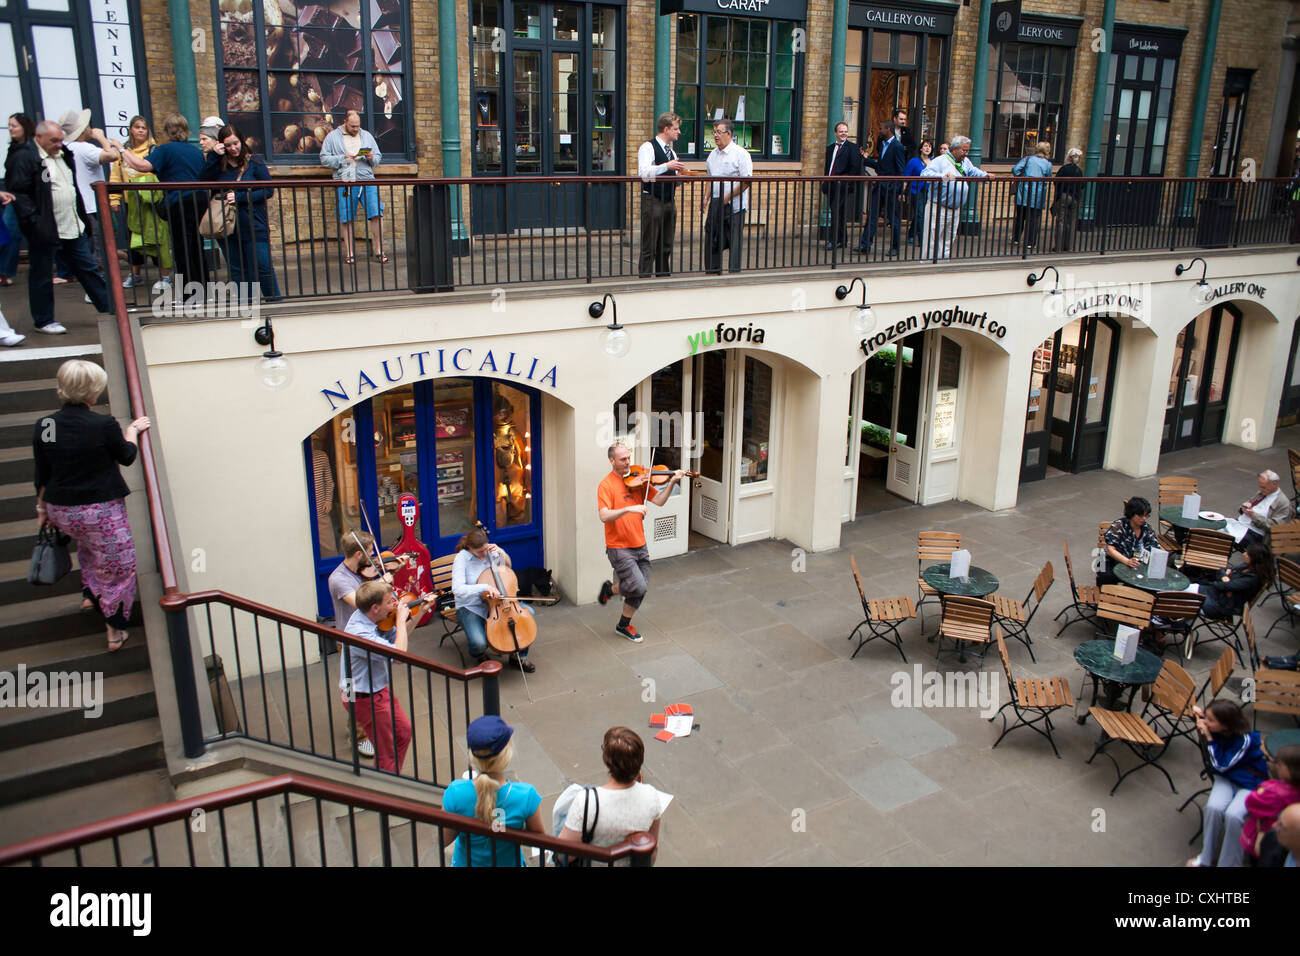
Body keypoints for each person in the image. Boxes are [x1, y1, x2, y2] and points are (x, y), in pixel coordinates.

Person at [33, 360, 150, 651]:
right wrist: (132, 432)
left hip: (61, 510)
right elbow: (126, 456)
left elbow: (43, 470)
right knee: (118, 568)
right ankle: (115, 629)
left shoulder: (46, 425)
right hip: (99, 512)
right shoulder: (103, 424)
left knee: (87, 548)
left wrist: (41, 510)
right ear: (93, 391)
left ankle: (90, 593)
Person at [6, 121, 113, 335]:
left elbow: (71, 186)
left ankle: (110, 308)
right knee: (42, 275)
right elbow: (20, 193)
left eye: (60, 140)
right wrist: (34, 222)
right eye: (53, 140)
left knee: (88, 268)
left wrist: (80, 216)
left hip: (71, 224)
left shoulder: (63, 154)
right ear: (39, 137)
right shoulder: (25, 157)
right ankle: (44, 320)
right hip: (45, 228)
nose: (58, 144)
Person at [596, 443, 684, 642]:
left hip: (640, 544)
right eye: (623, 459)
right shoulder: (606, 485)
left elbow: (660, 501)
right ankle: (611, 589)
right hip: (619, 547)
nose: (628, 462)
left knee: (639, 587)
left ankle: (623, 624)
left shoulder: (640, 480)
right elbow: (604, 515)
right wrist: (629, 509)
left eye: (629, 457)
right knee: (639, 586)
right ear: (612, 461)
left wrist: (671, 482)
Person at [117, 113, 209, 289]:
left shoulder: (165, 150)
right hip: (199, 199)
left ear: (167, 131)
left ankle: (188, 295)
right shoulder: (195, 151)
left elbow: (142, 166)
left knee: (182, 249)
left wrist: (122, 151)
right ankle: (206, 292)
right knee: (197, 246)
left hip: (179, 201)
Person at [440, 716, 544, 867]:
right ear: (506, 754)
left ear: (472, 756)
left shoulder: (456, 793)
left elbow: (443, 840)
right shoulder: (525, 796)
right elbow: (539, 839)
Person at [557, 726, 667, 864]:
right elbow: (651, 849)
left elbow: (564, 855)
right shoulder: (651, 797)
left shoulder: (587, 802)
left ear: (607, 760)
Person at [201, 124, 281, 302]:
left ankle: (275, 303)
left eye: (235, 143)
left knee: (263, 266)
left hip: (254, 223)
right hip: (227, 225)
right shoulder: (218, 164)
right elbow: (204, 181)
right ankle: (247, 305)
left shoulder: (255, 162)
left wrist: (242, 196)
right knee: (237, 268)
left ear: (241, 141)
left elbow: (268, 191)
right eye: (228, 145)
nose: (233, 148)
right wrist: (214, 155)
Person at [340, 579, 413, 772]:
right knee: (386, 750)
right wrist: (399, 620)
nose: (394, 605)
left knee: (403, 732)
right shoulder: (360, 634)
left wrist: (419, 612)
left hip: (374, 689)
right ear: (374, 607)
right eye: (390, 602)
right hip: (365, 697)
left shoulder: (371, 618)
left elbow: (399, 641)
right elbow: (399, 654)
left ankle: (391, 773)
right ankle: (387, 786)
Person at [1188, 699, 1268, 867]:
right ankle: (1205, 858)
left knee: (1234, 815)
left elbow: (1221, 765)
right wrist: (1196, 712)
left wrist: (1209, 738)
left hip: (1249, 782)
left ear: (1225, 725)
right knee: (1213, 808)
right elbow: (1201, 716)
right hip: (1229, 777)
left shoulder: (1243, 740)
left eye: (1211, 720)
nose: (1206, 722)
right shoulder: (1217, 726)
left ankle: (1230, 863)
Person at [451, 526, 534, 672]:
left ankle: (519, 657)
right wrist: (484, 587)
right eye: (480, 552)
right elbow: (457, 589)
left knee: (529, 614)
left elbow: (507, 569)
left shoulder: (491, 552)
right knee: (478, 643)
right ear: (470, 548)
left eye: (485, 549)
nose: (484, 554)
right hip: (471, 606)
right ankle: (479, 654)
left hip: (499, 603)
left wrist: (502, 553)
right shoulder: (461, 559)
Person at [110, 116, 172, 294]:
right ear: (131, 129)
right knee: (133, 240)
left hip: (151, 203)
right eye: (137, 127)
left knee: (158, 240)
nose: (140, 131)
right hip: (132, 203)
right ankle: (135, 274)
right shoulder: (123, 152)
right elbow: (115, 176)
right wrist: (114, 199)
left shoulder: (154, 150)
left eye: (144, 128)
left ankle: (165, 276)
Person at [59, 109, 121, 272]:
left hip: (79, 204)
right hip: (93, 205)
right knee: (100, 247)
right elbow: (112, 155)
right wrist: (100, 137)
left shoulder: (65, 148)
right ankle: (100, 286)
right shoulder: (84, 148)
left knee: (88, 245)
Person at [320, 111, 386, 265]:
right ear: (345, 122)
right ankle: (350, 253)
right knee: (346, 216)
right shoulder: (332, 137)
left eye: (358, 126)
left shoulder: (367, 136)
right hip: (345, 180)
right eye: (352, 126)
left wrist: (371, 158)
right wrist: (342, 158)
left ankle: (379, 250)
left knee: (376, 213)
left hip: (367, 180)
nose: (356, 129)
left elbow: (378, 157)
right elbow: (324, 158)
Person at [920, 134, 988, 260]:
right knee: (932, 237)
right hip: (939, 206)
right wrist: (943, 176)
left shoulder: (965, 162)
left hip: (955, 208)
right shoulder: (941, 160)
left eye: (967, 150)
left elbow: (973, 171)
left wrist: (985, 175)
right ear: (955, 149)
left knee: (948, 238)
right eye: (964, 150)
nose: (966, 153)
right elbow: (925, 174)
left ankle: (943, 262)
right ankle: (928, 263)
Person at [637, 112, 686, 277]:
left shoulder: (671, 153)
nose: (678, 132)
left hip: (669, 200)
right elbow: (644, 174)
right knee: (649, 244)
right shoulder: (647, 147)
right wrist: (666, 166)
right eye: (676, 129)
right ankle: (644, 278)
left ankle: (663, 277)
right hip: (652, 199)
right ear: (666, 129)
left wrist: (682, 178)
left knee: (666, 244)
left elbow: (671, 176)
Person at [703, 118, 751, 275]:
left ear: (729, 133)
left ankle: (733, 274)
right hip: (716, 204)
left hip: (734, 206)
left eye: (719, 132)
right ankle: (712, 272)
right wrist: (705, 198)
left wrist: (728, 197)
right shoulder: (712, 155)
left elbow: (746, 182)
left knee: (734, 241)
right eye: (714, 132)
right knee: (712, 239)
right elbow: (710, 179)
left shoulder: (741, 154)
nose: (715, 135)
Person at [1240, 745, 1300, 861]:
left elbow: (1251, 803)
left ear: (1291, 769)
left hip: (1264, 837)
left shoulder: (1274, 793)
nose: (1275, 766)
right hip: (1289, 841)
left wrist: (1265, 787)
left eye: (1279, 764)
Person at [861, 118, 906, 256]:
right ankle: (865, 245)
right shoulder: (882, 145)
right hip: (879, 186)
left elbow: (900, 170)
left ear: (889, 129)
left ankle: (895, 247)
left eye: (881, 128)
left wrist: (898, 190)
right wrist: (866, 160)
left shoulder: (897, 147)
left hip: (891, 188)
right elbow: (881, 166)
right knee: (872, 216)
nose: (879, 131)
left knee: (893, 219)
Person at [0, 113, 35, 286]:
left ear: (24, 127)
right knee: (8, 233)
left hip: (27, 197)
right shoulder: (13, 148)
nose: (10, 129)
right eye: (9, 125)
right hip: (13, 197)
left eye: (14, 125)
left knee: (29, 234)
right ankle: (4, 272)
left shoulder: (32, 148)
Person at [1199, 539, 1272, 620]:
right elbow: (1222, 570)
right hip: (1217, 595)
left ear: (1254, 558)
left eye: (1247, 554)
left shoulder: (1252, 579)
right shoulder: (1246, 566)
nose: (1244, 554)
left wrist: (1226, 579)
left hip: (1220, 607)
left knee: (1187, 598)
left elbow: (1224, 585)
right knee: (1187, 595)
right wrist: (1225, 578)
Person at [1099, 496, 1160, 587]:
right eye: (1140, 515)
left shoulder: (1147, 529)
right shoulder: (1119, 526)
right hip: (1113, 560)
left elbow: (1154, 548)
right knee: (1107, 576)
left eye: (1146, 515)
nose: (1144, 518)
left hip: (1136, 563)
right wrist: (1127, 561)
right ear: (1132, 514)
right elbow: (1110, 549)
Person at [822, 121, 862, 251]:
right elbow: (828, 167)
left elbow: (855, 168)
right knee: (838, 212)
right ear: (836, 133)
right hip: (831, 184)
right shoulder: (830, 148)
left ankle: (833, 241)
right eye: (841, 131)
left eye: (845, 131)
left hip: (843, 184)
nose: (844, 133)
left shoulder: (852, 148)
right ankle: (842, 240)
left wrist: (847, 182)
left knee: (835, 211)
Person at [1011, 140, 1053, 250]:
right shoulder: (1047, 164)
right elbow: (1048, 177)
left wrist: (1022, 177)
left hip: (1023, 192)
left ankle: (1016, 239)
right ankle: (1030, 242)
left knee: (1020, 216)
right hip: (1037, 194)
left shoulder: (1027, 159)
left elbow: (1015, 169)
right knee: (1034, 219)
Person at [1238, 469, 1294, 545]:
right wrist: (1244, 508)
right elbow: (1248, 505)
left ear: (1274, 484)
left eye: (1263, 487)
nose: (1260, 489)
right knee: (1218, 525)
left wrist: (1253, 515)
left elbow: (1275, 528)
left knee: (1223, 536)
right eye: (1260, 486)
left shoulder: (1283, 503)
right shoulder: (1262, 492)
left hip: (1256, 533)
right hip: (1242, 524)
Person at [1051, 147, 1084, 252]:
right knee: (1072, 222)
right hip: (1075, 197)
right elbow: (1082, 185)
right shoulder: (1079, 171)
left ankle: (1058, 247)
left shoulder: (1064, 169)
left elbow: (1056, 181)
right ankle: (1069, 247)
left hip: (1064, 195)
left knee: (1061, 221)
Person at [904, 139, 934, 246]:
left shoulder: (934, 161)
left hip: (930, 191)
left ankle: (911, 233)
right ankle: (922, 240)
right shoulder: (914, 161)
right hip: (916, 191)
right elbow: (906, 178)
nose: (927, 148)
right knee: (920, 214)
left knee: (920, 215)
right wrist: (902, 193)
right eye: (925, 146)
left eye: (929, 146)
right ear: (921, 148)